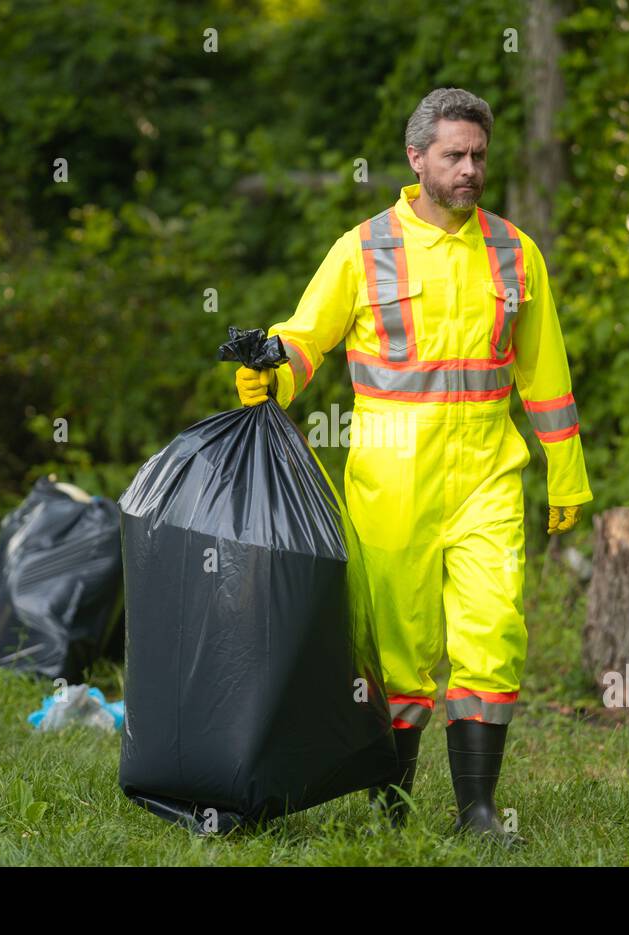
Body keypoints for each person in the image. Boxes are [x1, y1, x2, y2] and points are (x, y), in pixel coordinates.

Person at [235, 88, 593, 843]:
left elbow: (545, 375)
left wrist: (566, 474)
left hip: (488, 477)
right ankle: (389, 810)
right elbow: (307, 339)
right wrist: (271, 370)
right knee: (396, 650)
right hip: (391, 479)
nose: (470, 170)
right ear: (416, 159)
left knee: (493, 631)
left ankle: (478, 814)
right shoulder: (363, 249)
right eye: (455, 156)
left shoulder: (514, 252)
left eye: (480, 156)